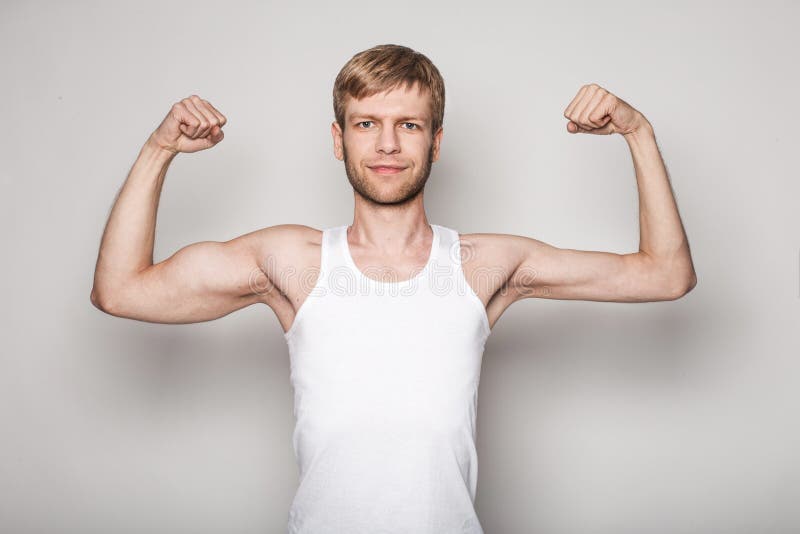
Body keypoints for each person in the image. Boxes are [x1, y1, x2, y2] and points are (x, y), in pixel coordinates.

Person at [90, 44, 696, 533]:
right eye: (366, 124)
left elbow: (665, 275)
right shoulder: (293, 264)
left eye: (408, 125)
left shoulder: (482, 266)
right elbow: (121, 290)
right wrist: (159, 149)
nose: (386, 144)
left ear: (435, 143)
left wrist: (637, 132)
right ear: (339, 140)